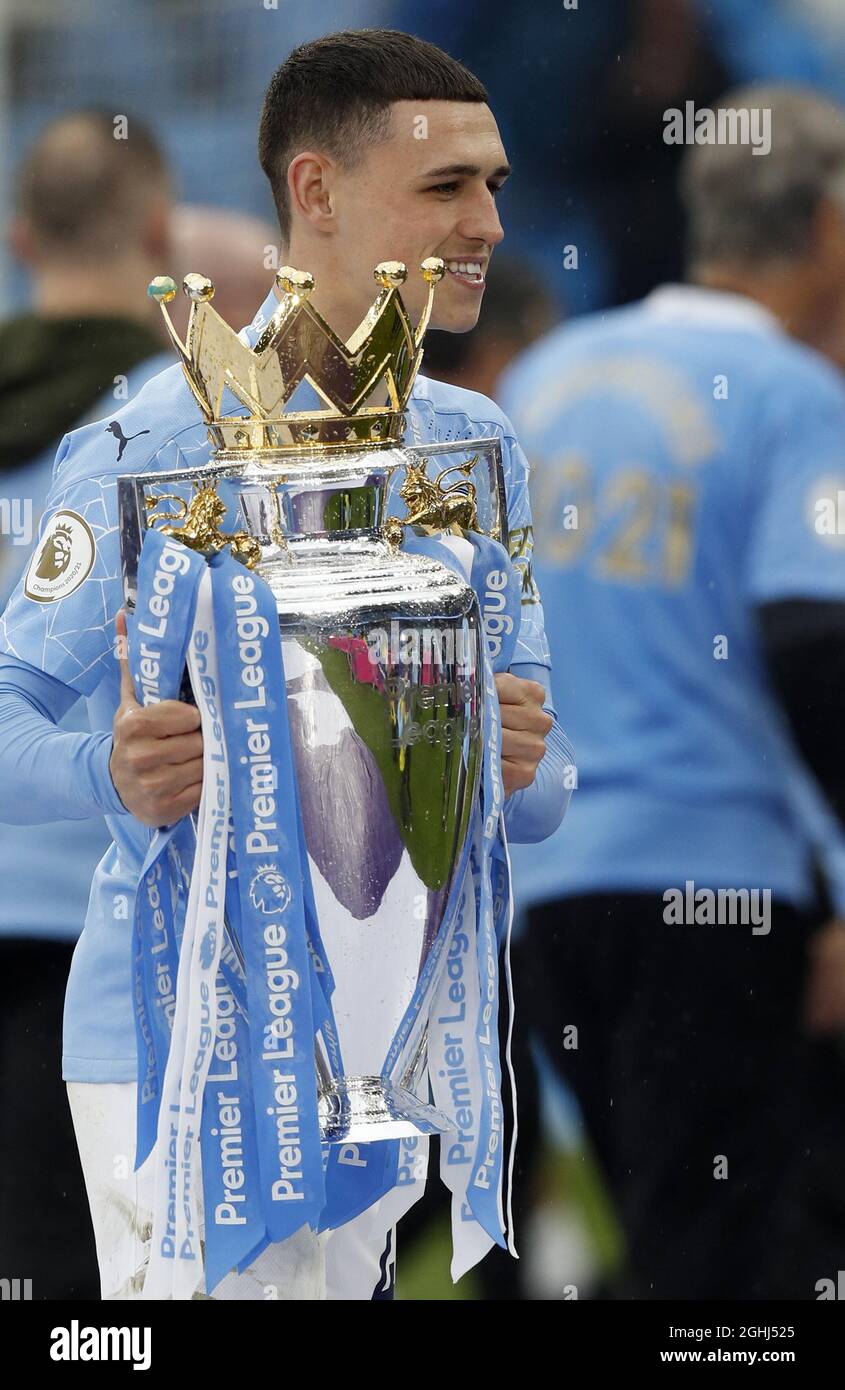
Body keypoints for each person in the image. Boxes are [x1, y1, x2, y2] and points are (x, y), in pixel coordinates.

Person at [0, 29, 571, 1301]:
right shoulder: (144, 438)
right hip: (173, 1040)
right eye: (444, 187)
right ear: (313, 191)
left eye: (493, 186)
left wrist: (517, 765)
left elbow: (535, 797)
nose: (485, 220)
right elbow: (7, 720)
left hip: (383, 1044)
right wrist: (111, 767)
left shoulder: (474, 449)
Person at [502, 84, 845, 1299]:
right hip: (722, 887)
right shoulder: (794, 398)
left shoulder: (540, 385)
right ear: (828, 230)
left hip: (546, 900)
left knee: (673, 1246)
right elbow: (813, 639)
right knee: (745, 1269)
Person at [0, 110, 173, 1300]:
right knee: (99, 1273)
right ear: (162, 231)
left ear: (17, 239)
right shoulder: (178, 418)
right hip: (108, 916)